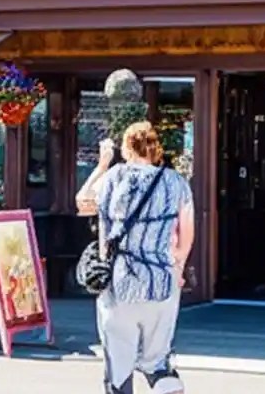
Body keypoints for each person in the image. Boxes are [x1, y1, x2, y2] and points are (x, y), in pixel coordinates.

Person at [76, 121, 195, 394]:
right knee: (158, 362)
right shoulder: (176, 182)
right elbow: (186, 233)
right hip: (161, 281)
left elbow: (83, 201)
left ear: (126, 148)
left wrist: (102, 164)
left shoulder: (114, 177)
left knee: (119, 364)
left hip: (119, 282)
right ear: (155, 148)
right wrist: (177, 266)